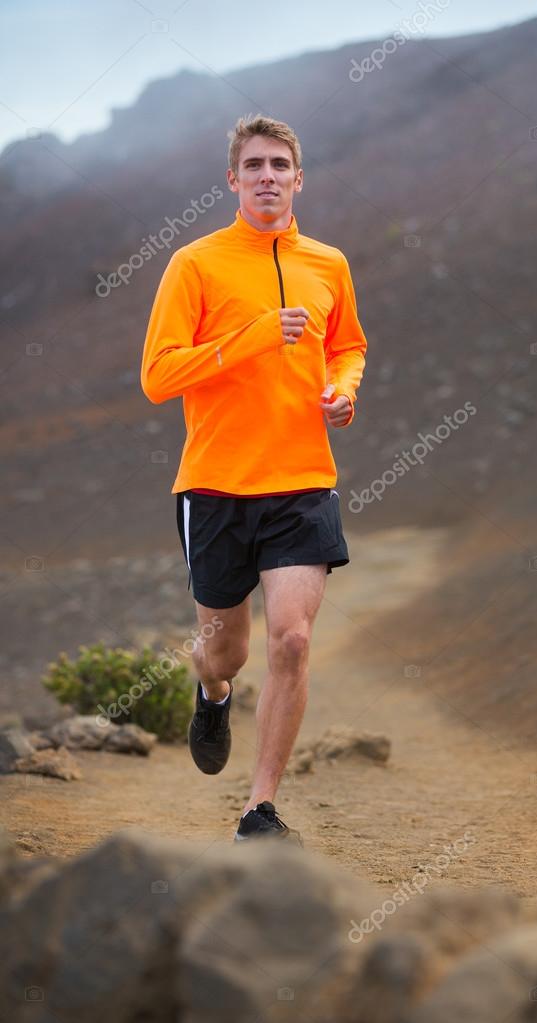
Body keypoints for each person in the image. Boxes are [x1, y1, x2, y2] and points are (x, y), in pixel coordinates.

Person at [140, 114, 367, 843]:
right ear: (232, 180)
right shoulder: (195, 263)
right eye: (254, 166)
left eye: (279, 165)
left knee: (291, 641)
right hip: (215, 485)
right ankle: (211, 690)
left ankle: (257, 810)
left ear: (299, 179)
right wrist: (253, 336)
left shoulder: (328, 263)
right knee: (227, 650)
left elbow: (348, 346)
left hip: (301, 481)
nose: (267, 176)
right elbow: (158, 375)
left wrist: (343, 390)